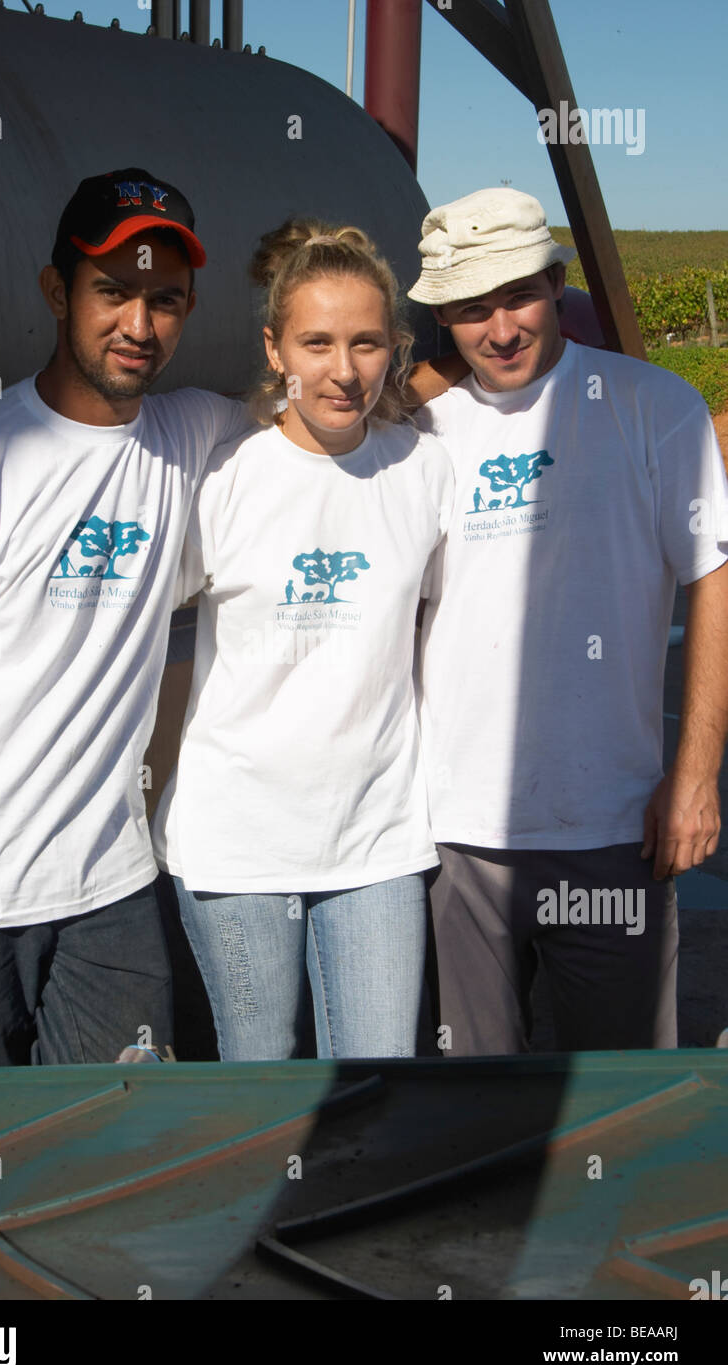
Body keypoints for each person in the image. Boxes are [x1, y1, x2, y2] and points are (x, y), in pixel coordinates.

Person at [0, 168, 252, 1067]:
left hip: (113, 890)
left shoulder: (192, 436)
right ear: (56, 290)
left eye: (166, 300)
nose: (139, 326)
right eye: (112, 292)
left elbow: (327, 401)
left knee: (115, 1146)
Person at [408, 186, 728, 1055]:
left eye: (516, 296)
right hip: (451, 832)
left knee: (619, 1091)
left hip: (612, 826)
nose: (500, 329)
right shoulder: (411, 435)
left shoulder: (654, 408)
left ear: (556, 283)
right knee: (472, 1102)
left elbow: (714, 582)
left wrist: (695, 776)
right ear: (440, 315)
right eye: (470, 309)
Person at [152, 220, 455, 1060]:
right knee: (262, 1089)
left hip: (376, 837)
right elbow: (127, 629)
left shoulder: (423, 472)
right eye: (315, 342)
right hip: (236, 843)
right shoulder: (223, 481)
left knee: (377, 1080)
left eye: (365, 344)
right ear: (274, 348)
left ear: (394, 349)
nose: (342, 369)